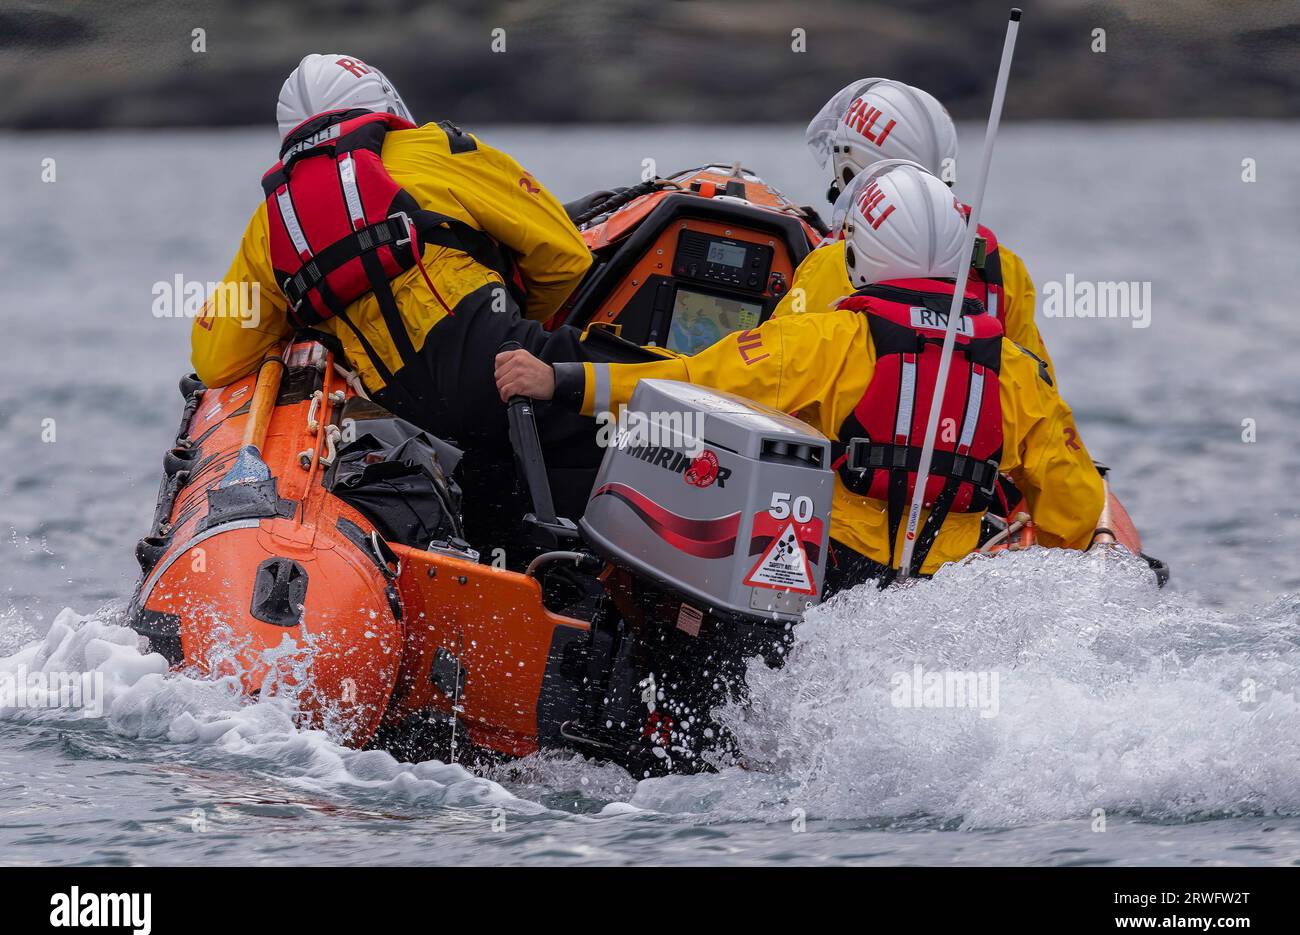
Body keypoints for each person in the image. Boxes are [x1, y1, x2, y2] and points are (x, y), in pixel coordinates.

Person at [495, 164, 1104, 592]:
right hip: (947, 595)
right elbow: (1073, 506)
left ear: (860, 252)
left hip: (831, 579)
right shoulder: (1019, 373)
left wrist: (561, 382)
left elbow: (687, 386)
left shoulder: (825, 340)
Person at [190, 53, 592, 455]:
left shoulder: (271, 221)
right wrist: (526, 321)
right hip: (514, 378)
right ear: (384, 103)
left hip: (422, 429)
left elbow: (215, 360)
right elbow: (566, 258)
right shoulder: (436, 150)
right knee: (649, 375)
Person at [776, 77, 1056, 384]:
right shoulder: (1001, 266)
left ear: (851, 169)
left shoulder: (835, 262)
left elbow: (778, 361)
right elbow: (1039, 384)